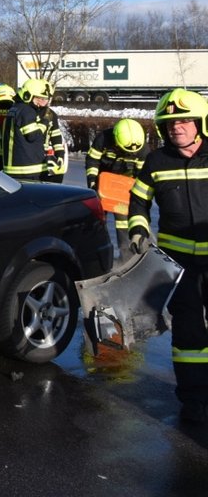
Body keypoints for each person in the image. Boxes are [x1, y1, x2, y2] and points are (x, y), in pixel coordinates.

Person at [127, 88, 208, 424]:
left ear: (201, 122)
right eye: (170, 122)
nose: (177, 127)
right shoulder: (156, 162)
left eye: (184, 120)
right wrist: (138, 228)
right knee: (188, 335)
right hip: (179, 267)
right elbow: (138, 201)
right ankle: (194, 400)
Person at [87, 117, 148, 255]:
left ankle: (126, 255)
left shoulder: (142, 149)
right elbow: (92, 161)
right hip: (102, 184)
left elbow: (141, 176)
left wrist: (136, 197)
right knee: (98, 218)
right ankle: (97, 252)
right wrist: (92, 183)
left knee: (123, 221)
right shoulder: (103, 139)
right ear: (116, 141)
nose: (130, 154)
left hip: (124, 188)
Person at [3, 78, 65, 181]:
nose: (42, 103)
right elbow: (32, 136)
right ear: (28, 95)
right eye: (39, 98)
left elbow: (56, 135)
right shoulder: (27, 111)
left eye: (45, 99)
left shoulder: (14, 109)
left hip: (15, 167)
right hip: (29, 168)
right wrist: (44, 122)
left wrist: (60, 154)